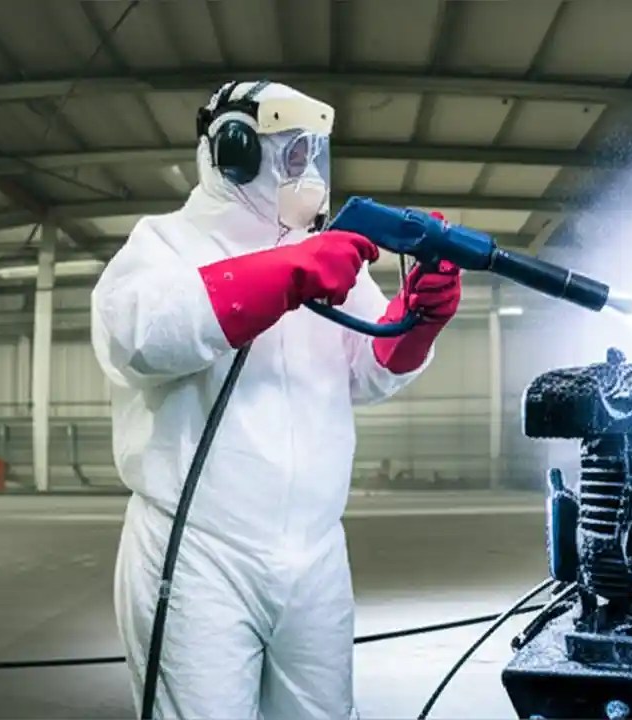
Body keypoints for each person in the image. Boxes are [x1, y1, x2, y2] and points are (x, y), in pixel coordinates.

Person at [90, 80, 462, 720]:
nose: (308, 172)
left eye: (314, 153)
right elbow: (138, 338)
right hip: (201, 552)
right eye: (291, 154)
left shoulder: (318, 253)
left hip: (316, 552)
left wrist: (416, 319)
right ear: (234, 151)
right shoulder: (164, 244)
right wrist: (278, 278)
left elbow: (365, 370)